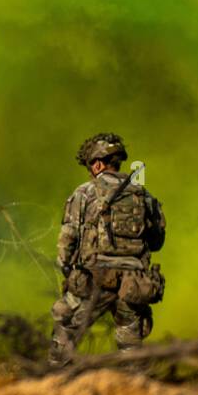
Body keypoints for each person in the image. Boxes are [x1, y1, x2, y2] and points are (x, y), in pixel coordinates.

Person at [49, 133, 166, 367]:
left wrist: (66, 269)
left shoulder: (84, 193)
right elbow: (156, 241)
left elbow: (68, 237)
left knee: (66, 330)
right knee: (130, 344)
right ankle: (137, 392)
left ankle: (52, 385)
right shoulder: (143, 196)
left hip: (94, 277)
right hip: (133, 282)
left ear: (98, 163)